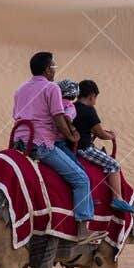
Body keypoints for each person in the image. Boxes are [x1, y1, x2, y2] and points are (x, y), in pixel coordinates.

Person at [11, 51, 96, 239]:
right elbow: (58, 118)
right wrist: (71, 136)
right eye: (53, 67)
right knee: (82, 179)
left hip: (19, 143)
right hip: (41, 144)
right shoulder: (52, 88)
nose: (54, 71)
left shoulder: (20, 89)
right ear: (47, 69)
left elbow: (16, 116)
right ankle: (83, 228)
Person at [72, 79, 134, 215]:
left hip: (72, 146)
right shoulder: (89, 110)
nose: (95, 101)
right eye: (95, 98)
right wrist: (111, 136)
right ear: (92, 96)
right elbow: (100, 133)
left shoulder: (72, 107)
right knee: (114, 165)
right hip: (85, 148)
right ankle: (117, 199)